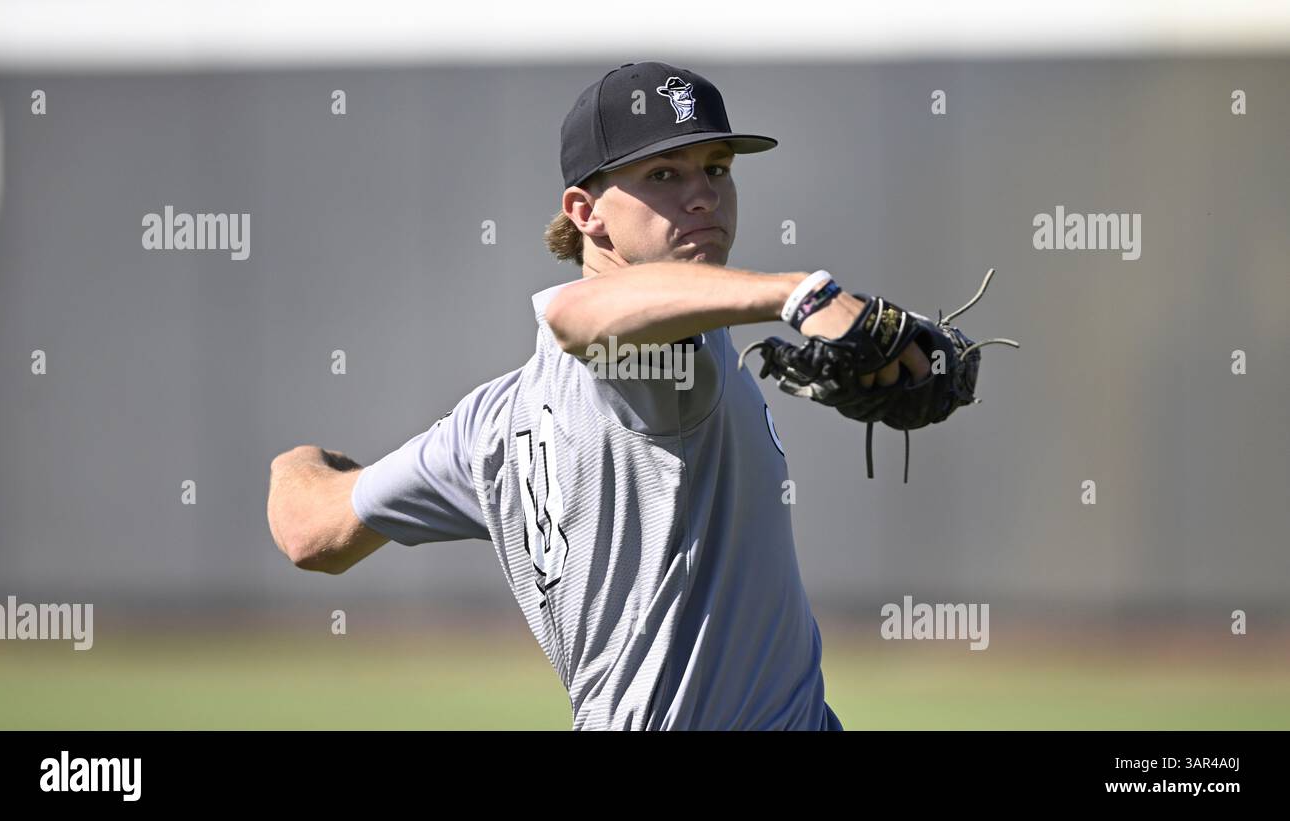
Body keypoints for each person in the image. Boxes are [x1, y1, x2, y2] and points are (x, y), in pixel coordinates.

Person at [266, 61, 929, 730]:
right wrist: (801, 294)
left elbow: (310, 531)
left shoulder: (488, 425)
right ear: (586, 213)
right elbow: (582, 316)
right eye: (664, 174)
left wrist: (300, 460)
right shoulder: (655, 363)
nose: (703, 194)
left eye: (718, 167)